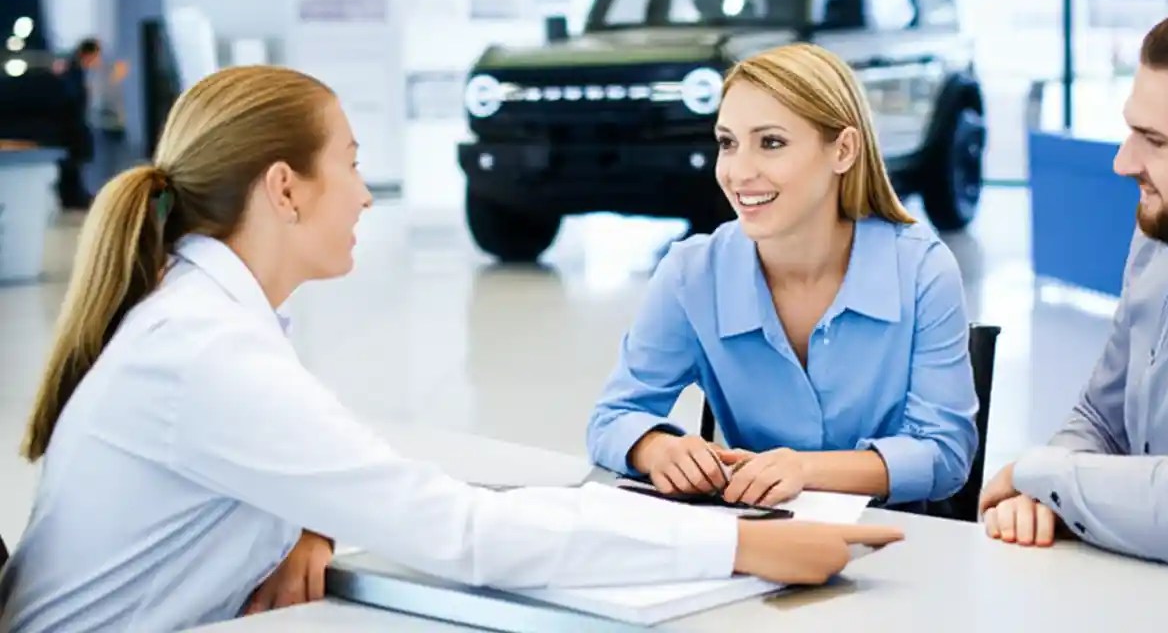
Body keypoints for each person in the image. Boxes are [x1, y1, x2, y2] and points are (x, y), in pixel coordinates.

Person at [0, 65, 904, 632]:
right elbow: (461, 533)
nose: (365, 195)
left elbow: (293, 461)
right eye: (350, 163)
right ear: (284, 189)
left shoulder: (205, 320)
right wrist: (743, 549)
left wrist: (302, 514)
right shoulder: (204, 351)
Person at [586, 43, 979, 511]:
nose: (738, 171)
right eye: (728, 143)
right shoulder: (691, 275)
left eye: (771, 143)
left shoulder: (921, 270)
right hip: (754, 543)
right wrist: (657, 449)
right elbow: (613, 418)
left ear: (844, 150)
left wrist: (806, 470)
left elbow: (946, 454)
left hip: (899, 547)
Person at [978, 0, 1168, 566]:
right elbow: (1100, 419)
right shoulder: (1162, 239)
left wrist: (1038, 470)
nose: (1123, 161)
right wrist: (1046, 496)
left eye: (1156, 141)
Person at [55, 37, 103, 209]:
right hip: (71, 126)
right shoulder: (73, 72)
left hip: (71, 125)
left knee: (74, 163)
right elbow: (71, 100)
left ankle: (73, 196)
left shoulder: (72, 70)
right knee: (73, 162)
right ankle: (72, 197)